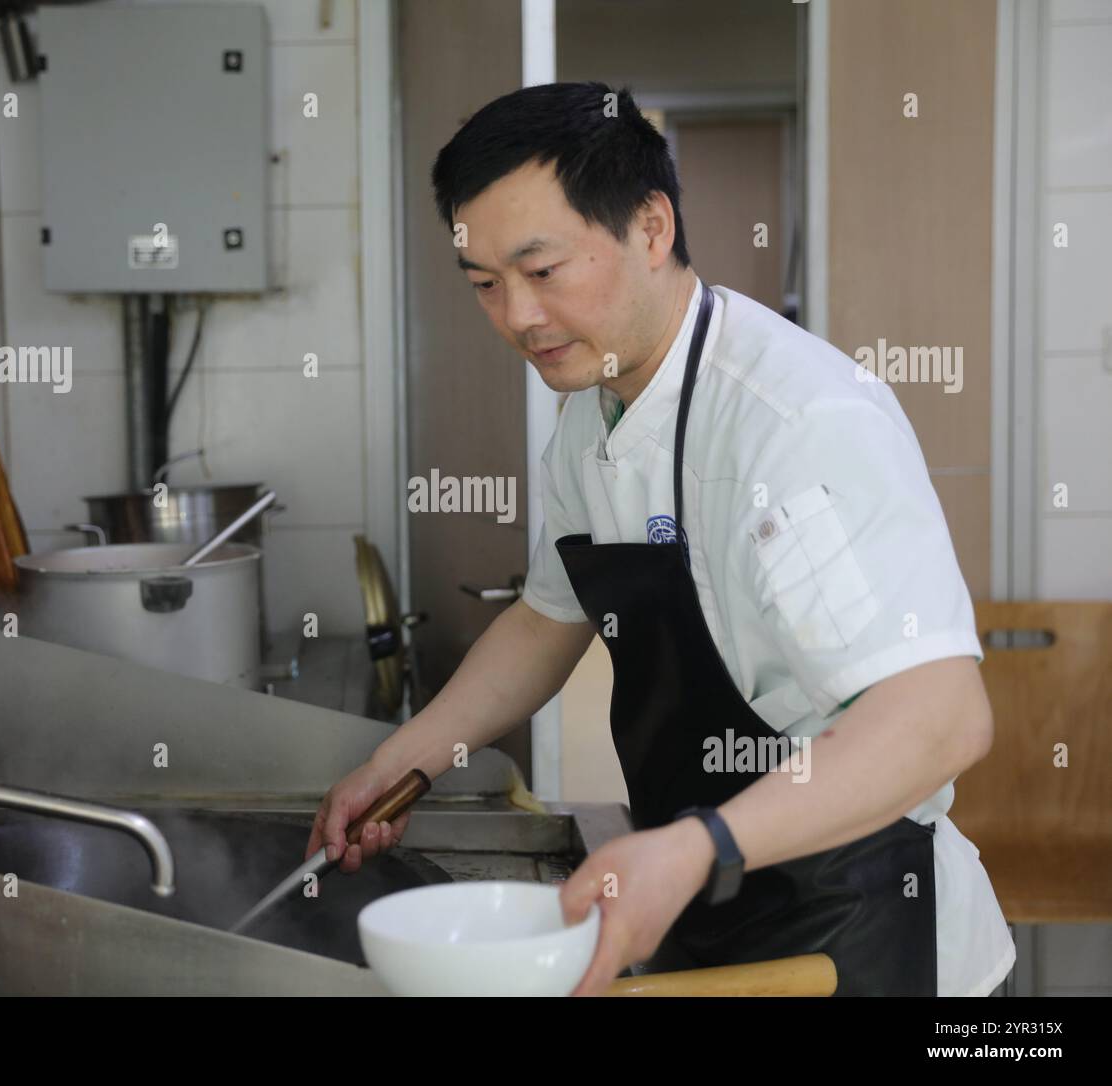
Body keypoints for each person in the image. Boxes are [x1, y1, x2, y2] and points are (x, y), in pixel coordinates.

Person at [304, 81, 1015, 997]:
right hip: (706, 911)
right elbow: (547, 620)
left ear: (650, 228)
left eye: (542, 270)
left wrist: (695, 849)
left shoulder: (795, 423)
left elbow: (941, 718)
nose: (516, 316)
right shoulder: (593, 413)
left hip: (865, 929)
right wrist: (402, 762)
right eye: (485, 283)